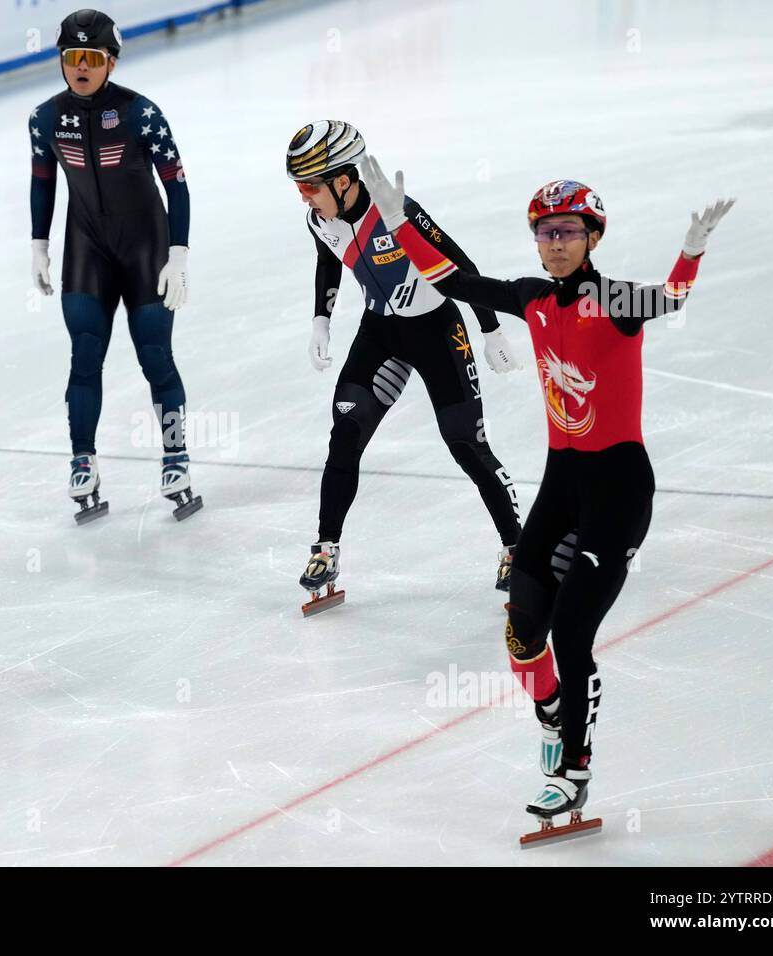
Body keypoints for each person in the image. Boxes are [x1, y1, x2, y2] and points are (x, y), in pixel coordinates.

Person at [362, 156, 733, 820]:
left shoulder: (613, 301)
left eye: (567, 231)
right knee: (521, 629)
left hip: (618, 489)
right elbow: (455, 280)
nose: (555, 242)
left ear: (592, 237)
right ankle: (552, 716)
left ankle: (575, 768)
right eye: (545, 232)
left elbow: (671, 298)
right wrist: (396, 222)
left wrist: (690, 253)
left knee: (572, 632)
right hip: (561, 482)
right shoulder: (533, 297)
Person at [286, 121, 523, 614]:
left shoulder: (397, 211)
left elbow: (460, 265)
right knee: (346, 431)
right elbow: (328, 262)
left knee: (465, 443)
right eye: (299, 187)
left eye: (310, 186)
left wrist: (490, 329)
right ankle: (326, 547)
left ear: (345, 180)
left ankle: (517, 546)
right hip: (381, 334)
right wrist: (320, 320)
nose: (304, 197)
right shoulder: (318, 219)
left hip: (436, 331)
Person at [29, 8, 200, 523]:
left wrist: (179, 252)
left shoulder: (139, 113)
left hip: (145, 248)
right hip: (87, 251)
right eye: (71, 57)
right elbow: (42, 182)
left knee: (154, 355)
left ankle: (176, 458)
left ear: (112, 62)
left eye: (92, 58)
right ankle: (83, 461)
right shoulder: (45, 118)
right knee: (84, 357)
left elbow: (177, 183)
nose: (81, 67)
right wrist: (39, 244)